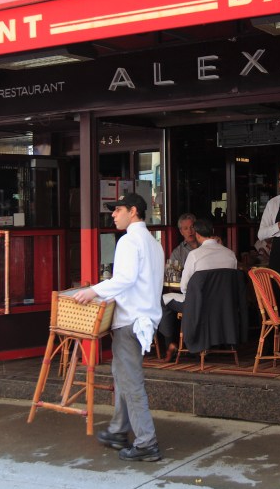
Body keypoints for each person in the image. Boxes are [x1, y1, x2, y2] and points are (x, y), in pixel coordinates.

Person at [72, 192, 164, 462]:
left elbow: (124, 279)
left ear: (133, 211)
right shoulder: (153, 243)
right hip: (145, 319)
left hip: (130, 320)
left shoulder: (129, 241)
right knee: (122, 376)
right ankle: (118, 430)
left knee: (131, 383)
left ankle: (146, 442)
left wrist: (93, 291)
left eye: (118, 209)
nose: (113, 214)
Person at [157, 218, 238, 360]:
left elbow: (184, 287)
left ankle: (170, 343)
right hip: (224, 305)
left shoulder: (194, 255)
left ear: (198, 235)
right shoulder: (230, 254)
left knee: (163, 301)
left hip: (199, 304)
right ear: (213, 232)